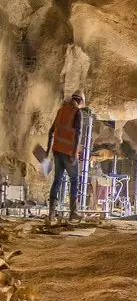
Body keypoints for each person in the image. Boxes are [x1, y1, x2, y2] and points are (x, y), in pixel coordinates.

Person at [46, 91, 86, 224]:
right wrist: (74, 154)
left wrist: (47, 151)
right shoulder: (77, 112)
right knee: (74, 180)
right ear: (80, 101)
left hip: (57, 150)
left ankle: (51, 215)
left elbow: (51, 131)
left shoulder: (61, 110)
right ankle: (73, 212)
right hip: (68, 152)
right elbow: (78, 134)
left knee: (57, 180)